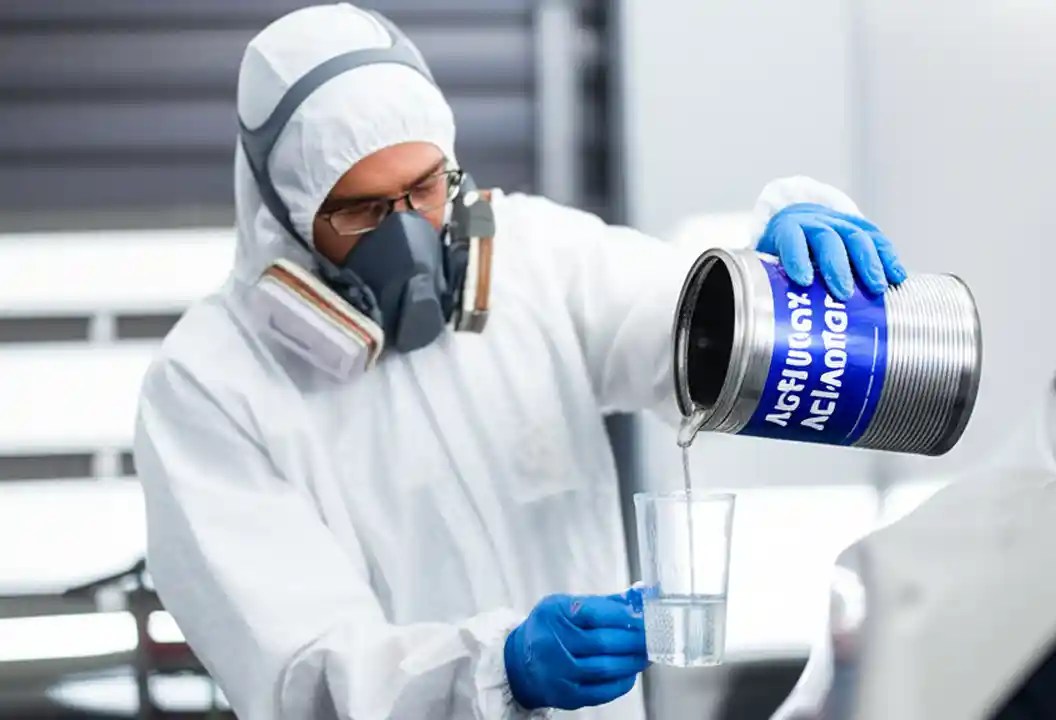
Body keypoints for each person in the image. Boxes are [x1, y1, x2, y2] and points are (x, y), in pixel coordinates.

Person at [133, 4, 906, 719]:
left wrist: (771, 293)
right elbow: (302, 671)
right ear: (284, 218)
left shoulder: (535, 256)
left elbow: (687, 334)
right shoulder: (208, 387)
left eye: (426, 187)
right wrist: (498, 667)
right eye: (363, 210)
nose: (408, 234)